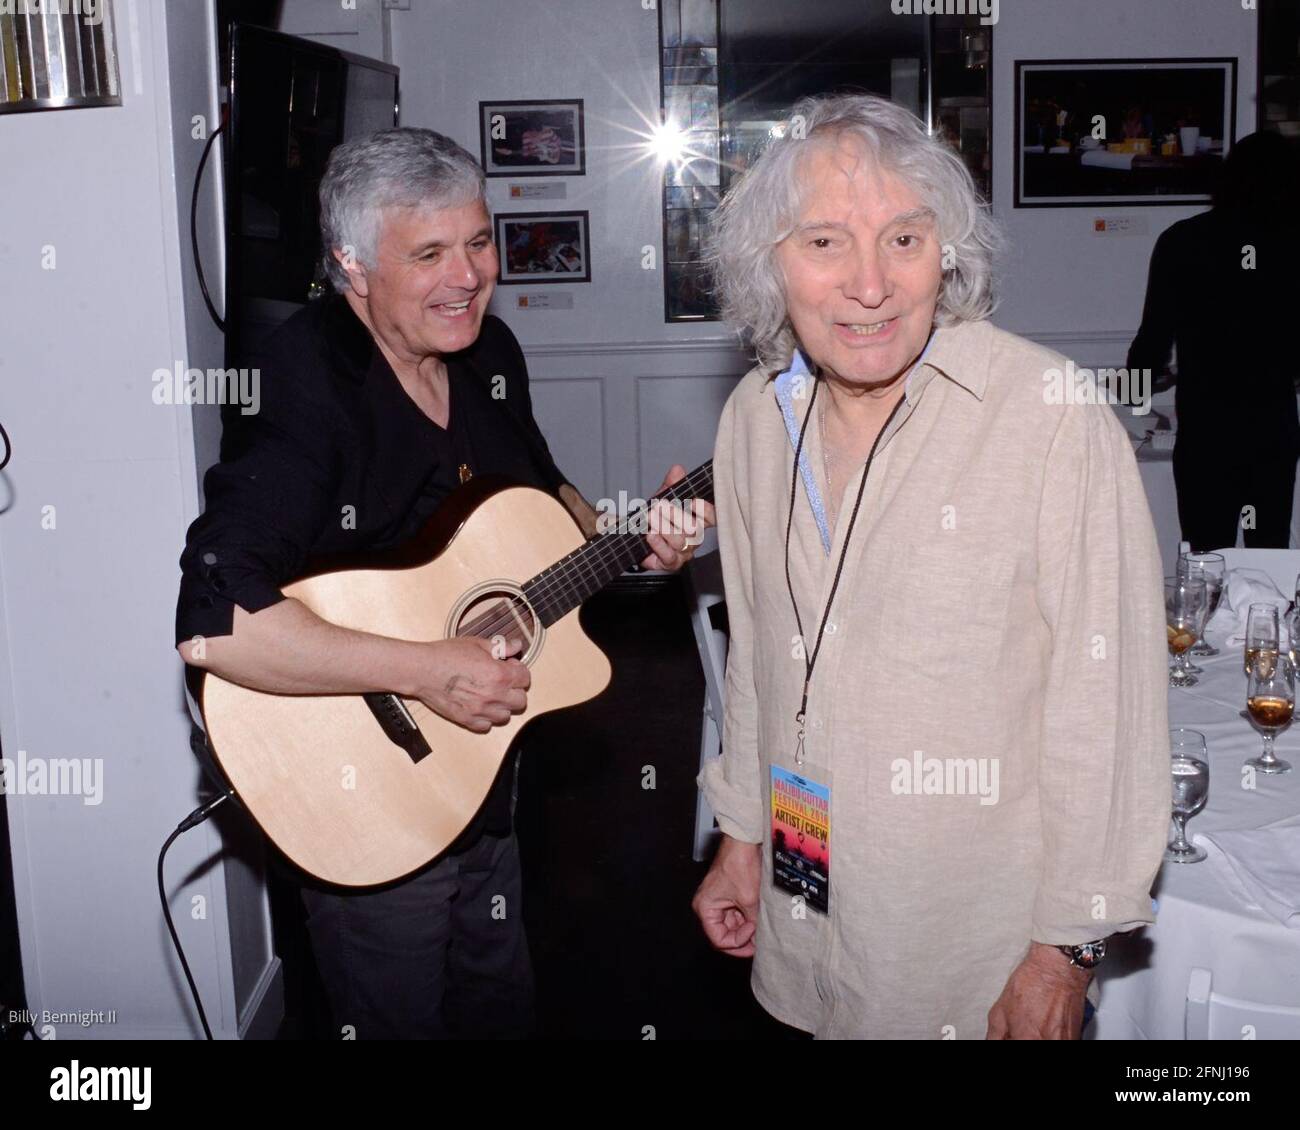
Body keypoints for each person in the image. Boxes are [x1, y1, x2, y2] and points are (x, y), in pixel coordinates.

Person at [175, 127, 712, 1039]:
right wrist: (429, 668)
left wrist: (634, 545)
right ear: (351, 264)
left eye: (478, 240)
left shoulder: (488, 354)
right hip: (360, 781)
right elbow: (217, 626)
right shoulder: (304, 379)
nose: (467, 275)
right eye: (428, 254)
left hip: (481, 767)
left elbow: (547, 503)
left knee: (499, 1004)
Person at [691, 93, 1168, 1039]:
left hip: (969, 956)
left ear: (944, 253)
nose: (871, 286)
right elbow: (761, 658)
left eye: (904, 240)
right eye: (824, 243)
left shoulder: (1051, 420)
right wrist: (741, 836)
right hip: (805, 911)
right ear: (767, 265)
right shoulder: (754, 416)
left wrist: (1064, 955)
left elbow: (1106, 714)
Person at [1128, 131, 1300, 551]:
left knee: (1205, 549)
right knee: (1268, 547)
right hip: (1271, 425)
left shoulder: (1182, 240)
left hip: (1208, 427)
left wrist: (1140, 385)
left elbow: (1152, 340)